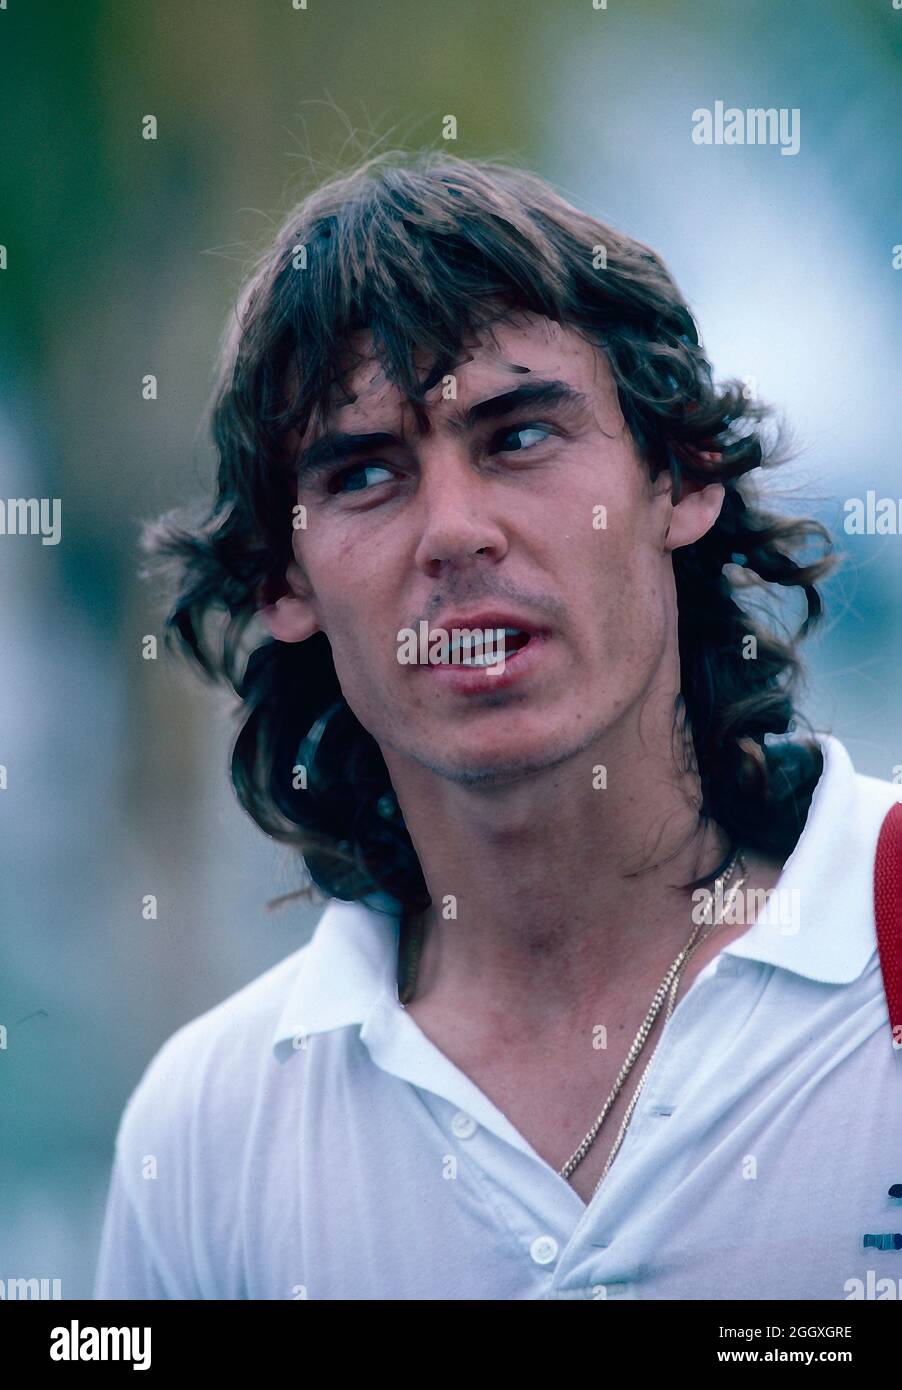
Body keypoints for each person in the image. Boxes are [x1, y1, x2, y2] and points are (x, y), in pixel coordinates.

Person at [93, 152, 901, 1301]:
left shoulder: (887, 954)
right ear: (284, 579)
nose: (454, 531)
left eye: (518, 437)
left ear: (681, 474)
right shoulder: (209, 1136)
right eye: (367, 472)